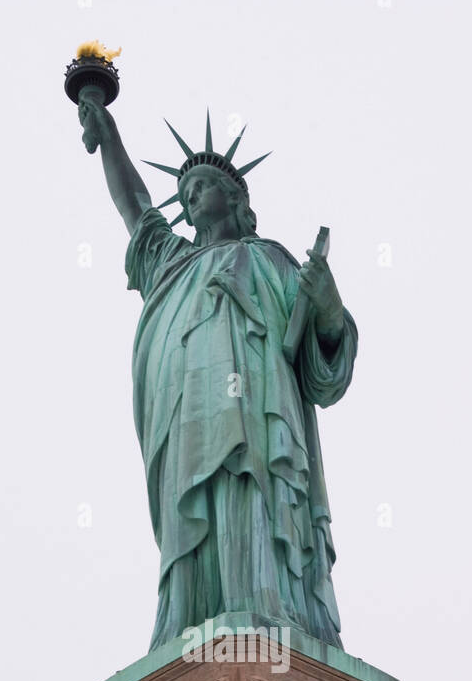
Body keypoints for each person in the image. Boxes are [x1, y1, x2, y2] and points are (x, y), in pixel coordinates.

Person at [79, 94, 358, 651]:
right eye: (182, 194)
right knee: (194, 517)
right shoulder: (169, 264)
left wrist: (327, 307)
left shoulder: (271, 260)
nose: (188, 199)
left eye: (200, 187)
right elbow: (135, 208)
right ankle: (188, 623)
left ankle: (262, 609)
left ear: (235, 198)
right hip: (186, 420)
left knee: (248, 495)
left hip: (257, 417)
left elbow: (324, 373)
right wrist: (108, 136)